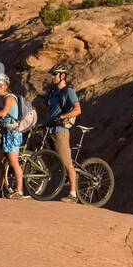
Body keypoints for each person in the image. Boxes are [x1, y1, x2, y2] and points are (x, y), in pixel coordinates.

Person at [42, 63, 82, 203]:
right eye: (52, 74)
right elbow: (42, 106)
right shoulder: (52, 92)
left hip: (60, 131)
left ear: (62, 76)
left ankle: (73, 194)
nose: (52, 77)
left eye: (54, 74)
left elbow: (77, 109)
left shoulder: (68, 91)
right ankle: (35, 190)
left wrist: (63, 117)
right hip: (49, 130)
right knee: (43, 161)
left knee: (67, 163)